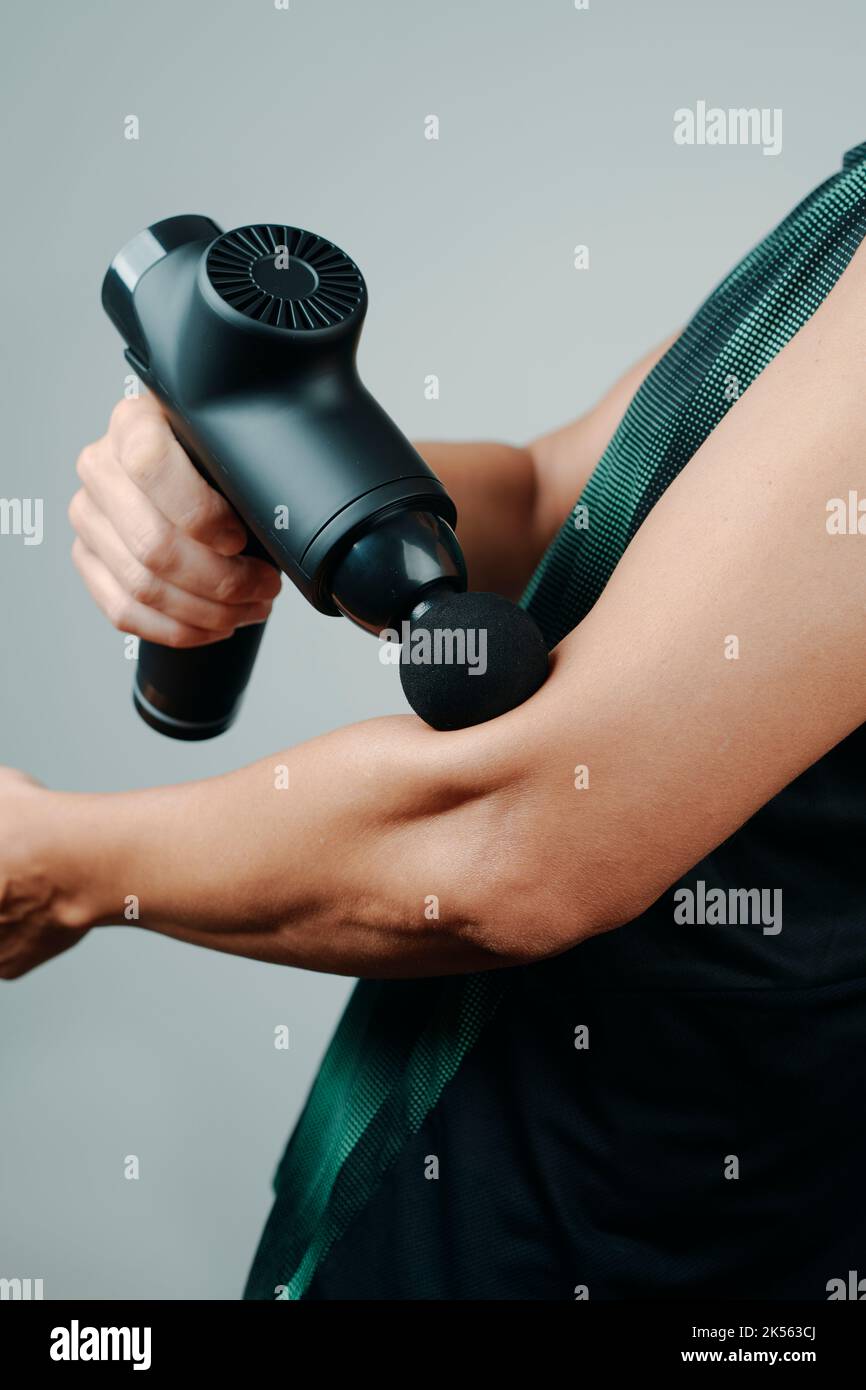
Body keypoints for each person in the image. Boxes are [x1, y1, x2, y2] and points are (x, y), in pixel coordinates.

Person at [3, 142, 866, 1300]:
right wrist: (253, 477)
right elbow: (564, 491)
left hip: (627, 1233)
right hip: (422, 1184)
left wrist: (63, 866)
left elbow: (518, 839)